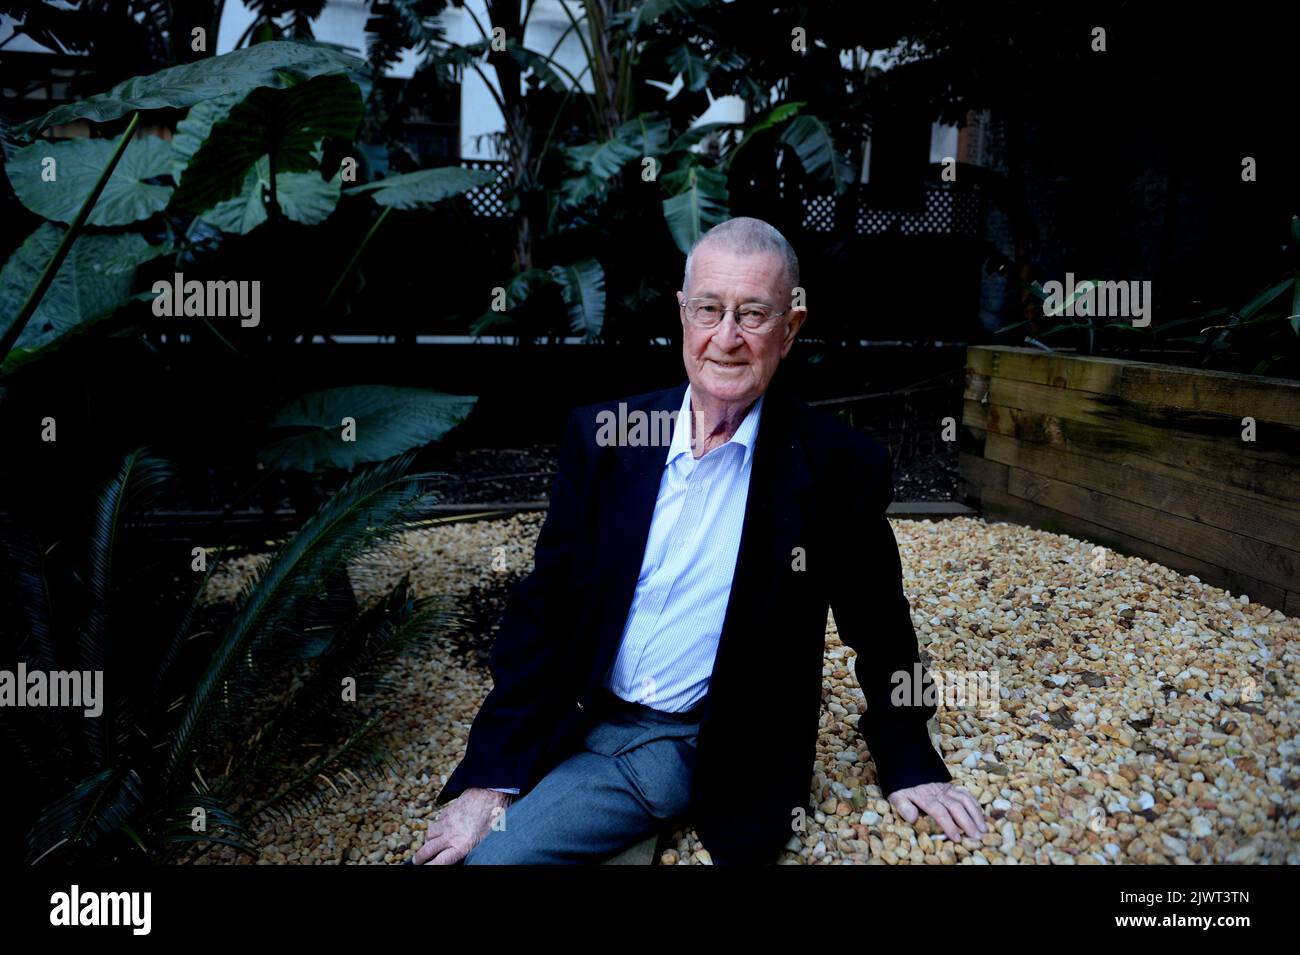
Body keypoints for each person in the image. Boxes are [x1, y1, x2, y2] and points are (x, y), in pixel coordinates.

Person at [411, 216, 987, 865]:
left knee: (491, 862)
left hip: (693, 738)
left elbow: (880, 623)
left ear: (790, 328)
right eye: (710, 310)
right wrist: (490, 777)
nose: (728, 338)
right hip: (579, 707)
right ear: (683, 315)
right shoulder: (605, 436)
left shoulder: (836, 466)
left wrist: (910, 758)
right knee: (455, 841)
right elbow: (544, 608)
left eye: (753, 314)